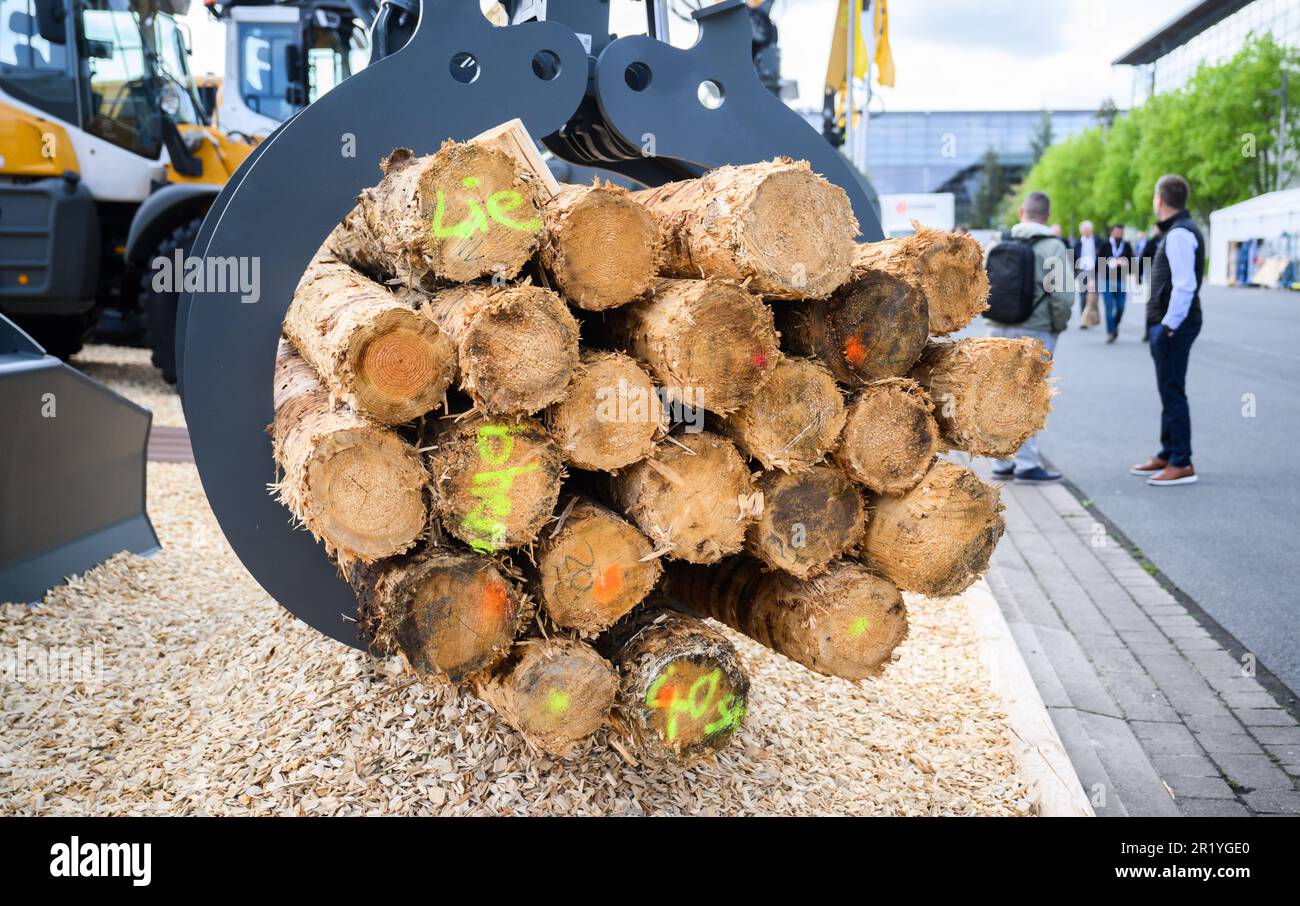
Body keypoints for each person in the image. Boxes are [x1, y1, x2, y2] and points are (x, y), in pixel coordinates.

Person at [983, 191, 1073, 482]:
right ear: (1047, 216)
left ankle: (1000, 462)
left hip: (997, 328)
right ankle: (1026, 464)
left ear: (1021, 212)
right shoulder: (1053, 247)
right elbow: (1062, 295)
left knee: (999, 394)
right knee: (1030, 395)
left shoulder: (999, 241)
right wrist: (1057, 325)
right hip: (1035, 330)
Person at [1131, 175, 1204, 487]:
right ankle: (1168, 451)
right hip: (1171, 323)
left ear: (1159, 200)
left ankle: (1181, 461)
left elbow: (1185, 285)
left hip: (1174, 325)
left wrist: (1168, 326)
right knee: (1168, 388)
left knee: (1172, 391)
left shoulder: (1179, 235)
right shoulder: (1177, 231)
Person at [1099, 224, 1134, 343]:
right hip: (1107, 280)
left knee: (1121, 307)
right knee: (1109, 307)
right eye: (1116, 232)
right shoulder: (1105, 245)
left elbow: (1132, 262)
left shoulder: (1127, 246)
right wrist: (1112, 263)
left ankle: (1115, 325)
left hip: (1121, 280)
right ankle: (1111, 332)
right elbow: (1098, 262)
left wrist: (1126, 264)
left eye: (1121, 232)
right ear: (1112, 232)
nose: (1119, 234)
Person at [1072, 221, 1100, 329]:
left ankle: (1093, 316)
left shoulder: (1097, 241)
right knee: (1083, 295)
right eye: (1083, 229)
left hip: (1095, 270)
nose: (1085, 231)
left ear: (1091, 230)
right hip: (1082, 271)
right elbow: (1073, 258)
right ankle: (1084, 319)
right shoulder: (1077, 243)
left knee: (1094, 294)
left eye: (1087, 229)